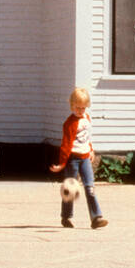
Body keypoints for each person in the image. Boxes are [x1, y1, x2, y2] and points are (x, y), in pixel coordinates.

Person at [49, 86, 108, 229]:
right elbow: (66, 144)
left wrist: (91, 150)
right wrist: (62, 163)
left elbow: (87, 137)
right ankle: (66, 217)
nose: (80, 111)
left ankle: (96, 217)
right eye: (77, 108)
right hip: (73, 159)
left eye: (83, 108)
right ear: (72, 106)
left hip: (85, 158)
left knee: (90, 188)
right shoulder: (69, 123)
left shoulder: (87, 118)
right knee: (70, 189)